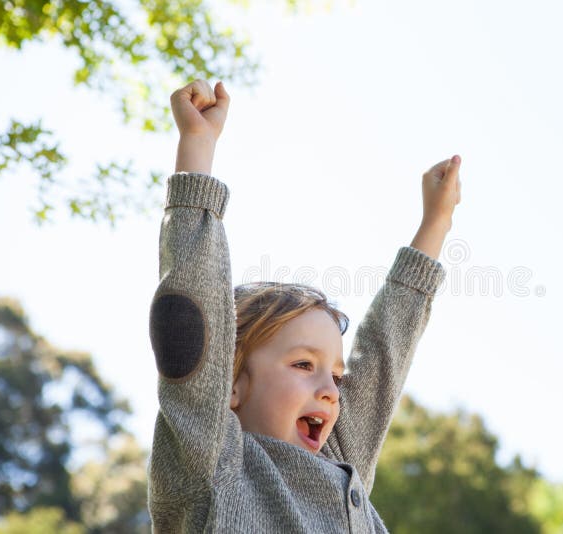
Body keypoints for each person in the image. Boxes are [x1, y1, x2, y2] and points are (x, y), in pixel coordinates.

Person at [147, 79, 462, 532]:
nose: (332, 391)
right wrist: (197, 148)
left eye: (335, 375)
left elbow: (382, 356)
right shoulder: (212, 462)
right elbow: (189, 324)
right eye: (302, 364)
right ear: (229, 381)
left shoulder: (337, 462)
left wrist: (435, 223)